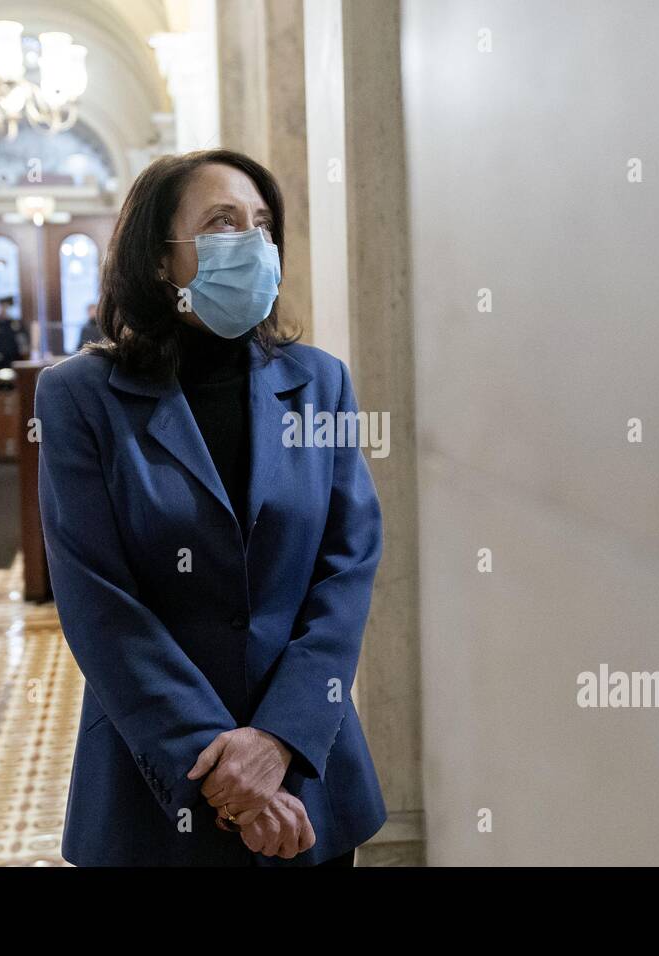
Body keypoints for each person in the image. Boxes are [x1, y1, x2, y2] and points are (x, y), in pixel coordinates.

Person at [35, 149, 387, 866]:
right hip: (154, 786)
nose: (253, 244)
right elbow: (99, 601)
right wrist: (225, 772)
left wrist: (280, 740)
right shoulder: (80, 398)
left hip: (308, 779)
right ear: (161, 261)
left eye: (263, 225)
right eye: (224, 224)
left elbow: (347, 566)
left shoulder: (321, 384)